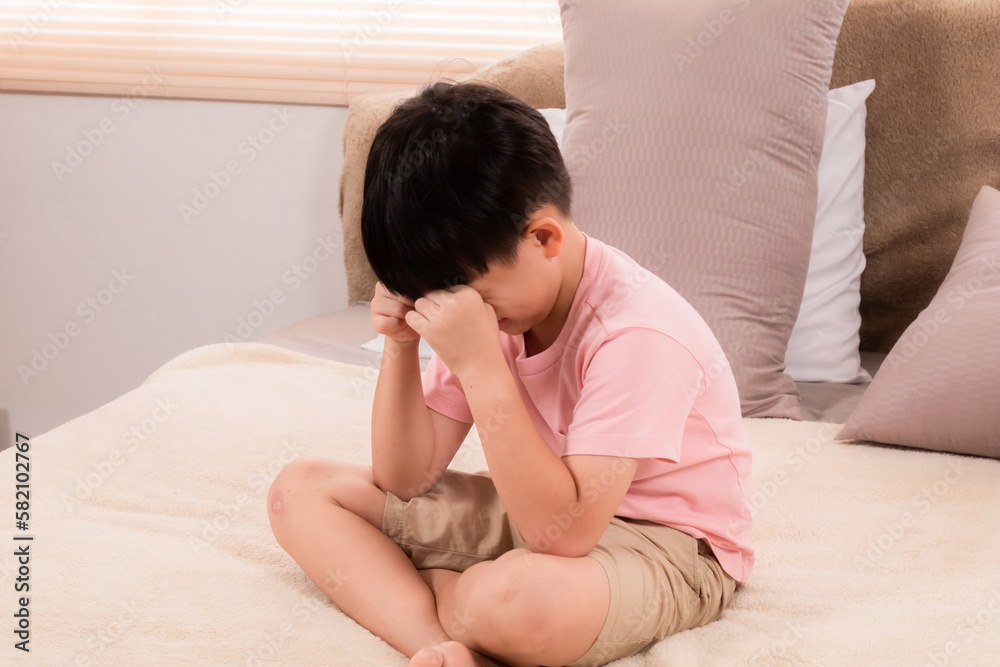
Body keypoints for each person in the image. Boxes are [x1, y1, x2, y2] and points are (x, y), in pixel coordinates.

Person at [267, 81, 754, 667]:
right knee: (301, 492)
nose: (458, 314)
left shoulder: (639, 332)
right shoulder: (495, 299)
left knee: (525, 605)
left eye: (469, 297)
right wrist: (400, 345)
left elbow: (563, 535)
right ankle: (437, 645)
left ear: (543, 237)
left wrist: (479, 365)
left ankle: (444, 593)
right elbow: (404, 476)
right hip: (538, 502)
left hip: (664, 543)